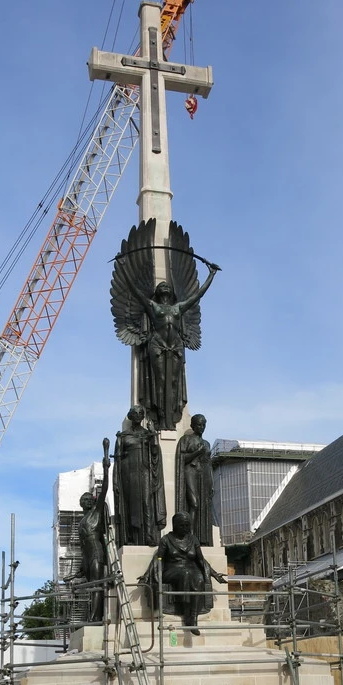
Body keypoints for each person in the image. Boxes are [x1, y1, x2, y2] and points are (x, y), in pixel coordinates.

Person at [135, 270, 218, 431]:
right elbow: (136, 293)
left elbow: (197, 296)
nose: (165, 286)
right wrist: (124, 269)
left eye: (167, 285)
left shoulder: (179, 308)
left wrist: (211, 276)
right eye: (162, 285)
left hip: (176, 346)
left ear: (171, 292)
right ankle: (159, 414)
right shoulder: (153, 306)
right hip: (158, 344)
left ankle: (170, 416)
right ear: (157, 292)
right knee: (159, 380)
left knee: (173, 381)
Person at [140, 512, 225, 636]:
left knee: (199, 579)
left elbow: (201, 559)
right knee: (185, 574)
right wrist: (147, 575)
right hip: (171, 570)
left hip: (191, 569)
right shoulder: (166, 540)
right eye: (182, 525)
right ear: (175, 525)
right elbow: (158, 559)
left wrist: (215, 574)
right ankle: (187, 613)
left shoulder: (193, 539)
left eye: (187, 525)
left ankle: (193, 618)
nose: (186, 528)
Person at [113, 405, 166, 547]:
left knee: (147, 503)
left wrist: (154, 434)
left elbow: (155, 452)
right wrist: (116, 481)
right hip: (128, 474)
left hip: (144, 472)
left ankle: (149, 535)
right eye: (134, 413)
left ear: (143, 417)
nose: (137, 416)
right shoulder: (123, 436)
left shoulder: (148, 435)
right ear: (130, 416)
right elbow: (117, 461)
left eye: (140, 413)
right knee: (130, 505)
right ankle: (131, 537)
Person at [78, 438, 110, 623]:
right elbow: (82, 547)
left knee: (97, 586)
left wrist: (106, 468)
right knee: (91, 588)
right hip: (88, 556)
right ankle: (94, 616)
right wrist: (80, 567)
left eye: (90, 499)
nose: (88, 501)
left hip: (97, 554)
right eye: (85, 500)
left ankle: (96, 617)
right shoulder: (82, 521)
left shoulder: (96, 512)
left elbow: (104, 489)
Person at [176, 413, 215, 546]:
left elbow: (209, 464)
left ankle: (202, 537)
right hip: (190, 471)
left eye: (204, 424)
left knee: (203, 505)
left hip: (203, 474)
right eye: (199, 424)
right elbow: (181, 459)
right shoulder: (185, 440)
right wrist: (197, 452)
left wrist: (212, 483)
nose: (202, 427)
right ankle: (189, 535)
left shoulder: (207, 443)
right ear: (193, 425)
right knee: (194, 504)